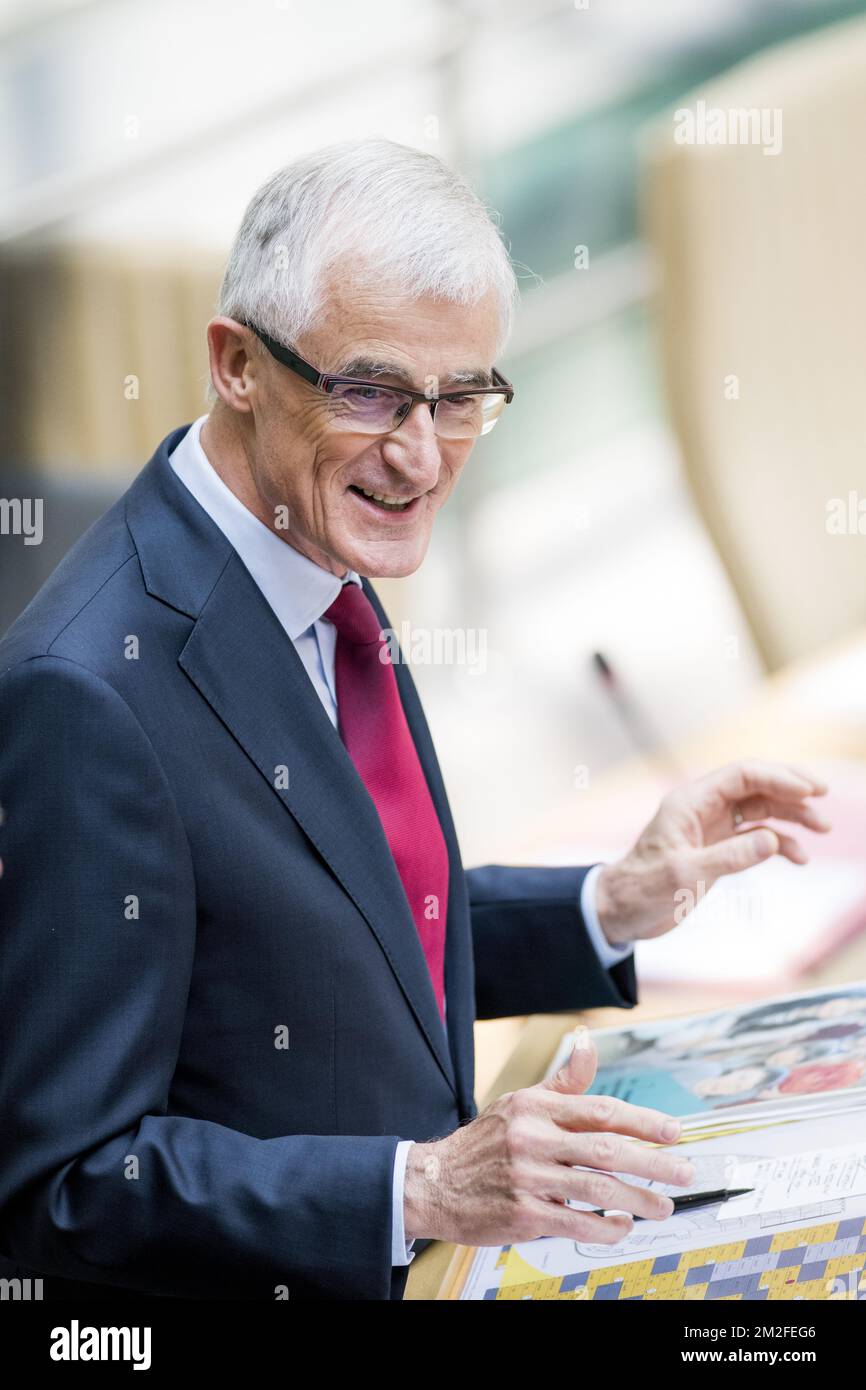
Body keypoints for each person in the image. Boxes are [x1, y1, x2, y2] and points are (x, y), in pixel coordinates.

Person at [0, 139, 830, 1300]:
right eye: (368, 390)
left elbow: (328, 936)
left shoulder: (310, 540)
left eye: (460, 399)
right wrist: (421, 1187)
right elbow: (64, 1190)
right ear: (236, 364)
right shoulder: (83, 694)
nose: (419, 455)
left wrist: (606, 901)